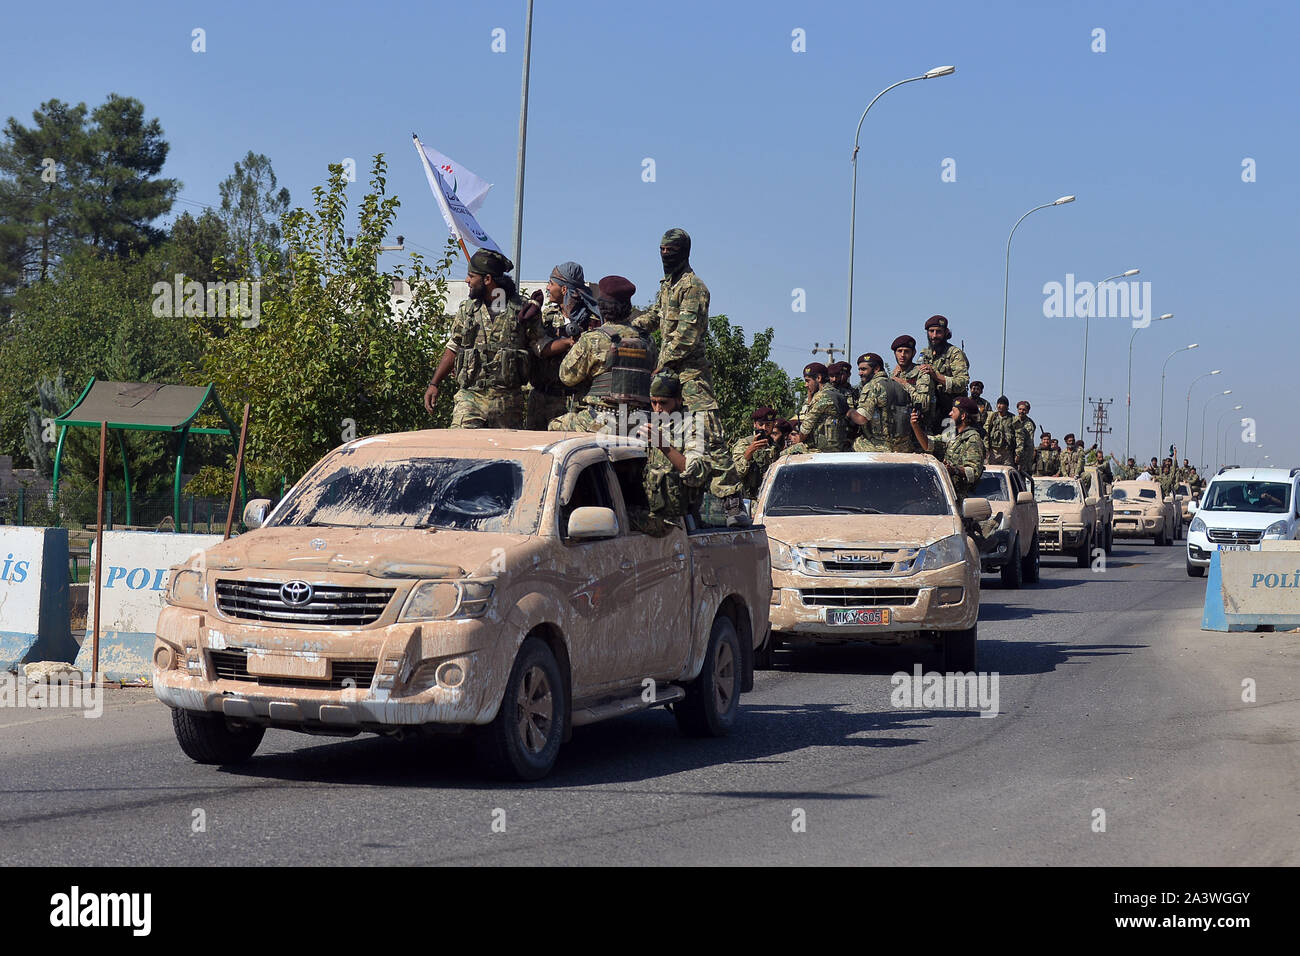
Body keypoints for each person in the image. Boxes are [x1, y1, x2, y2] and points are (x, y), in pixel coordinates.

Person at [632, 228, 743, 521]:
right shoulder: (668, 286)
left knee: (709, 433)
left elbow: (687, 334)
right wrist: (631, 327)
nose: (665, 255)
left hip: (690, 374)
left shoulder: (694, 287)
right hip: (666, 373)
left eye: (671, 250)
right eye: (662, 250)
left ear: (684, 251)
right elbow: (656, 314)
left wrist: (662, 362)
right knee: (656, 428)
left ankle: (731, 501)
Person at [423, 249, 566, 428]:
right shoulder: (467, 310)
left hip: (507, 403)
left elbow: (540, 346)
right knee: (462, 448)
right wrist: (434, 384)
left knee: (503, 453)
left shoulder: (522, 310)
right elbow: (454, 347)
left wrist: (569, 342)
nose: (467, 281)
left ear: (487, 279)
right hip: (470, 398)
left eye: (471, 276)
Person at [549, 276, 656, 433]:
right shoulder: (648, 341)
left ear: (602, 308)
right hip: (639, 421)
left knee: (554, 426)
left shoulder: (594, 338)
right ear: (628, 307)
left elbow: (566, 376)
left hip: (602, 419)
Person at [632, 371, 712, 536]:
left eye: (663, 403)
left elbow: (696, 473)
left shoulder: (693, 427)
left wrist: (663, 445)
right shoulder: (654, 425)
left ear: (679, 400)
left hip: (674, 523)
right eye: (653, 403)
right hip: (651, 513)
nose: (658, 409)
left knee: (618, 520)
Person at [527, 261, 597, 429]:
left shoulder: (591, 321)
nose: (547, 288)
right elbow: (539, 349)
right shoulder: (547, 317)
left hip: (573, 402)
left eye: (551, 283)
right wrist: (568, 342)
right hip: (541, 398)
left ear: (564, 289)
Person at [910, 396, 985, 502]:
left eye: (953, 411)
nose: (950, 414)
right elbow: (928, 444)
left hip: (960, 500)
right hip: (946, 494)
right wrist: (915, 426)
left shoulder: (973, 439)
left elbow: (973, 472)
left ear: (963, 416)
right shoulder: (952, 435)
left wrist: (954, 470)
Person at [848, 352, 916, 452]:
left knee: (850, 445)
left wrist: (849, 411)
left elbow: (861, 419)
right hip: (903, 447)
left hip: (878, 447)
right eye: (859, 369)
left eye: (863, 369)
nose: (860, 373)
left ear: (876, 369)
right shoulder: (900, 385)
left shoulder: (873, 386)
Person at [918, 315, 970, 433]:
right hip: (930, 411)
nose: (934, 335)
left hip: (950, 411)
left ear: (946, 332)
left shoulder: (955, 354)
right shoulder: (924, 353)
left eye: (938, 332)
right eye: (931, 331)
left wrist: (936, 376)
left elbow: (962, 382)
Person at [890, 334, 934, 449]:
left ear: (914, 353)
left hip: (917, 435)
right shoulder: (893, 374)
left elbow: (923, 403)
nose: (903, 355)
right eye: (899, 351)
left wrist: (904, 384)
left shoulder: (921, 373)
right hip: (896, 435)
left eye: (906, 351)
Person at [797, 362, 847, 452]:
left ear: (819, 378)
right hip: (839, 447)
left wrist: (798, 440)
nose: (806, 385)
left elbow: (805, 428)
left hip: (819, 450)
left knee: (782, 454)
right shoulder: (837, 394)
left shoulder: (822, 397)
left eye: (808, 381)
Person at [732, 407, 778, 499]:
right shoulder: (744, 443)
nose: (764, 428)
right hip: (748, 499)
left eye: (768, 425)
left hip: (768, 498)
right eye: (761, 424)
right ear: (755, 425)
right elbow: (736, 473)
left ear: (773, 425)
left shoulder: (775, 447)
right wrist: (750, 451)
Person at [985, 395, 1024, 465]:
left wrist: (1018, 453)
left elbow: (1019, 437)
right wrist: (986, 449)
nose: (999, 406)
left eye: (1001, 404)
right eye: (998, 404)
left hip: (1007, 453)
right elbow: (985, 433)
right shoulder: (992, 417)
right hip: (993, 452)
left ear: (1006, 406)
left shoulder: (1013, 419)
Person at [827, 361, 858, 450]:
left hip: (849, 433)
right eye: (840, 373)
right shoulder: (830, 391)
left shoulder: (854, 392)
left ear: (849, 374)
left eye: (845, 373)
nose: (842, 376)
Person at [1014, 401, 1037, 477]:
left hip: (1024, 458)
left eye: (1024, 410)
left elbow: (1028, 444)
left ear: (1027, 411)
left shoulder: (1030, 424)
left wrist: (1020, 458)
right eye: (1020, 409)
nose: (1021, 411)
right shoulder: (1013, 420)